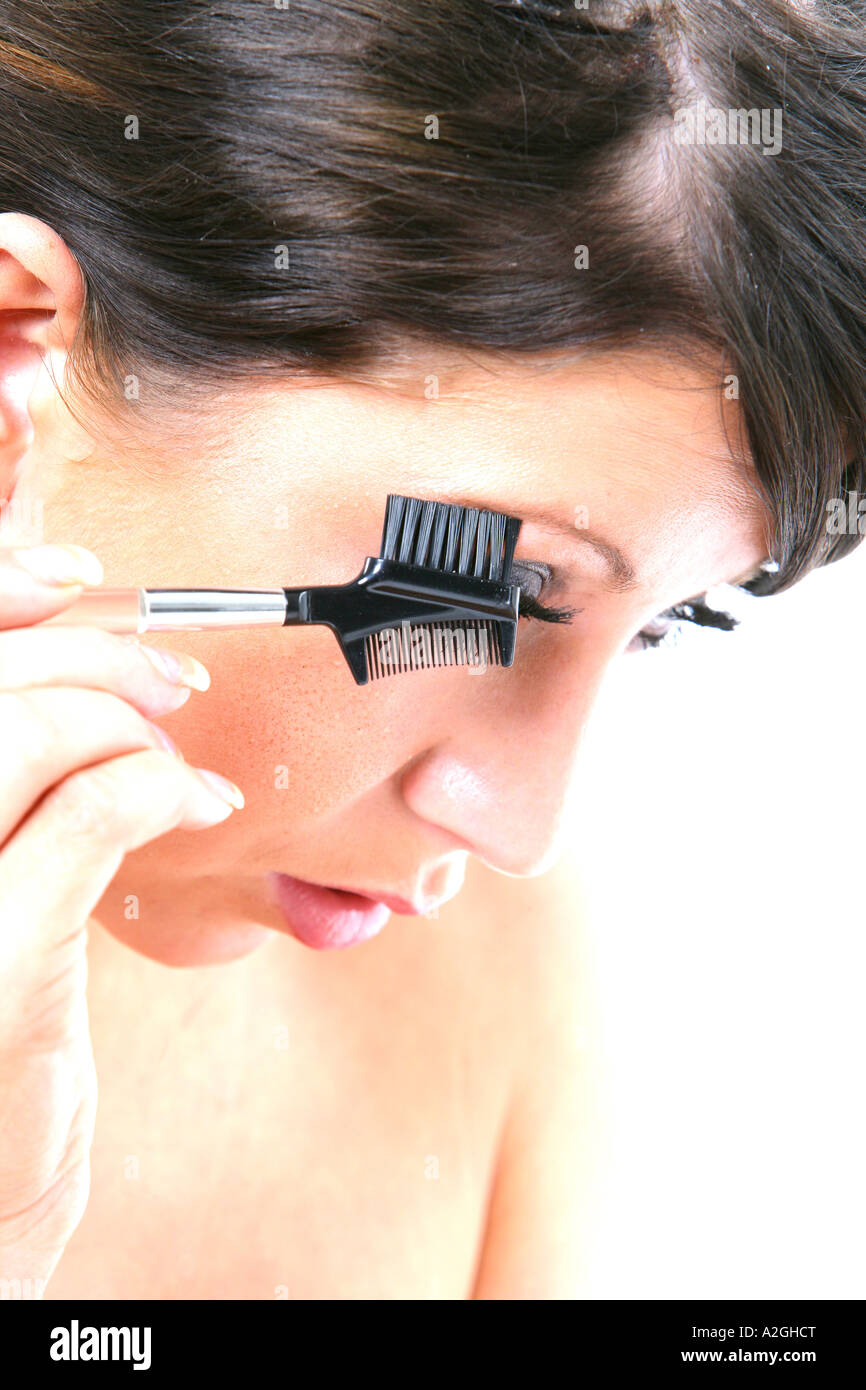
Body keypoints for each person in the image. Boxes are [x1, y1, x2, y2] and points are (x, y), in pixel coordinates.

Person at [0, 0, 862, 1299]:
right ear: (24, 353)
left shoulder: (484, 987)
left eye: (671, 619)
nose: (517, 827)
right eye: (492, 589)